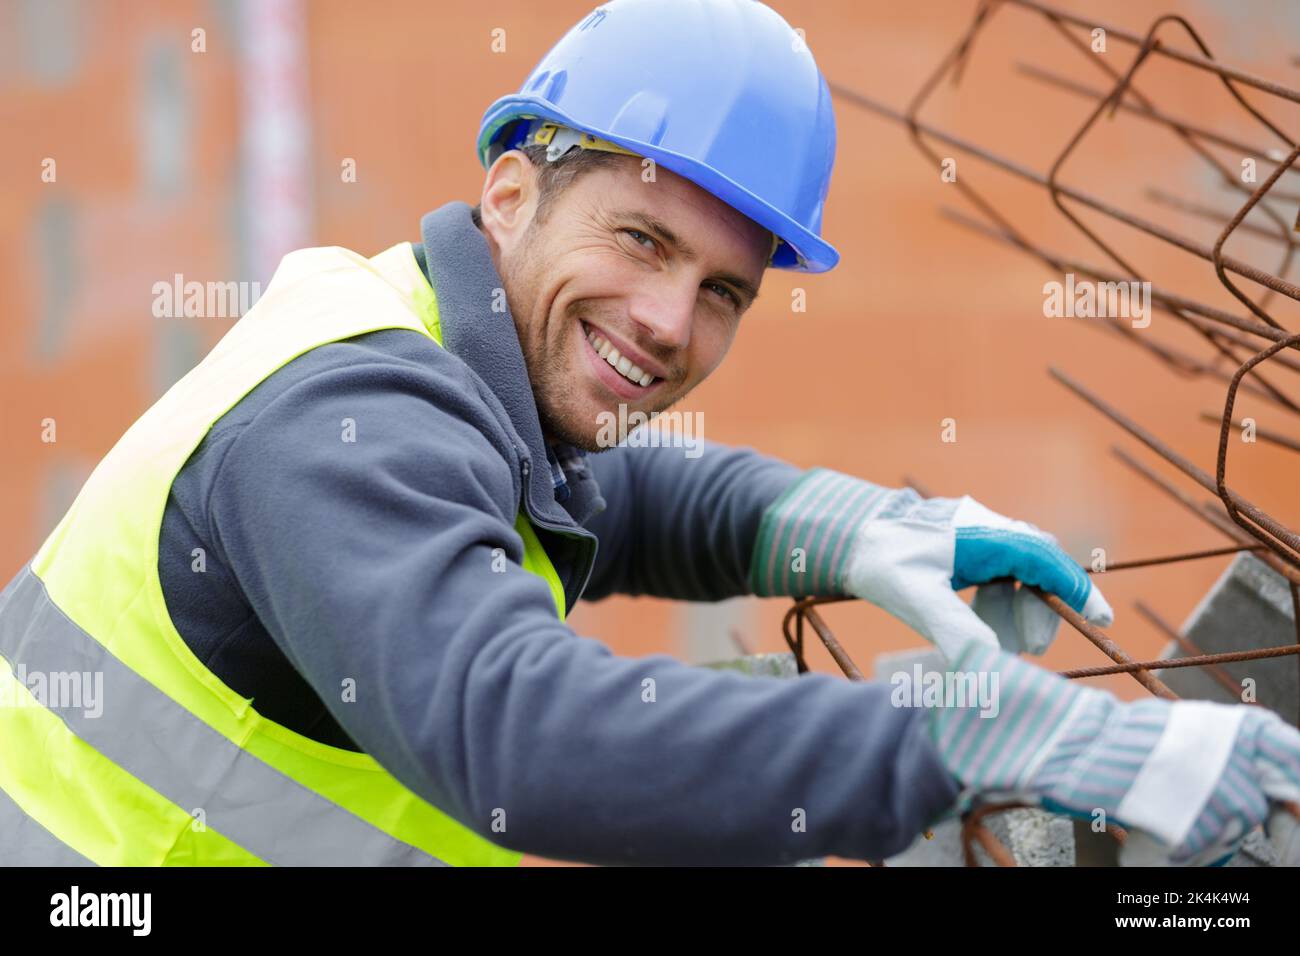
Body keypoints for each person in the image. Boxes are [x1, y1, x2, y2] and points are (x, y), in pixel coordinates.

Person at [2, 0, 1296, 867]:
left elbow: (611, 503)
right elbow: (519, 729)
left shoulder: (454, 355)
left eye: (724, 291)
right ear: (510, 193)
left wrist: (842, 528)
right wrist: (963, 735)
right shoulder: (349, 420)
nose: (673, 323)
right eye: (642, 238)